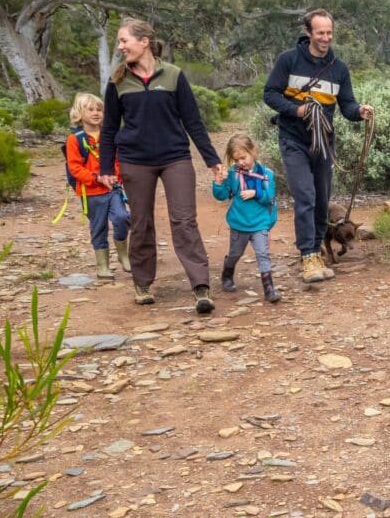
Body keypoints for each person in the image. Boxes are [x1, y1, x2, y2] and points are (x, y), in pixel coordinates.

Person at [98, 17, 226, 313]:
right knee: (141, 222)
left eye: (123, 41)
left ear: (144, 42)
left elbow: (193, 122)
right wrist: (106, 168)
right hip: (134, 161)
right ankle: (142, 283)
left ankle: (200, 285)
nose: (120, 47)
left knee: (184, 220)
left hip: (175, 158)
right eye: (119, 42)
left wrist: (212, 160)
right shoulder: (118, 81)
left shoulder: (173, 75)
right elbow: (108, 130)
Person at [263, 8, 374, 285]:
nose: (326, 38)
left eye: (329, 33)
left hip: (324, 143)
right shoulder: (288, 60)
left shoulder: (339, 68)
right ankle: (309, 255)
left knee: (322, 201)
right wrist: (296, 110)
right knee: (305, 197)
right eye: (320, 32)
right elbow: (270, 94)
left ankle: (317, 251)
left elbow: (346, 105)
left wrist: (359, 111)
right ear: (309, 33)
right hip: (293, 139)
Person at [64, 92, 130, 279]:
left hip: (113, 189)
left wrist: (117, 177)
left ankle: (123, 254)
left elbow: (118, 159)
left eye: (99, 109)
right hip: (91, 193)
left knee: (122, 217)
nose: (96, 113)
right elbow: (75, 168)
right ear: (79, 113)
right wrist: (96, 178)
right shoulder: (74, 139)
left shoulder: (110, 135)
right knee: (99, 227)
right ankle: (103, 267)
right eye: (90, 109)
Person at [212, 132, 281, 304]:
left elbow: (269, 197)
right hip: (239, 223)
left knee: (263, 254)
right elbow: (221, 196)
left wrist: (255, 193)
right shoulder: (233, 175)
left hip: (260, 223)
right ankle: (227, 274)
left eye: (243, 157)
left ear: (253, 151)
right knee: (236, 253)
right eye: (236, 160)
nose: (240, 163)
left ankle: (269, 289)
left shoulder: (266, 174)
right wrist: (219, 182)